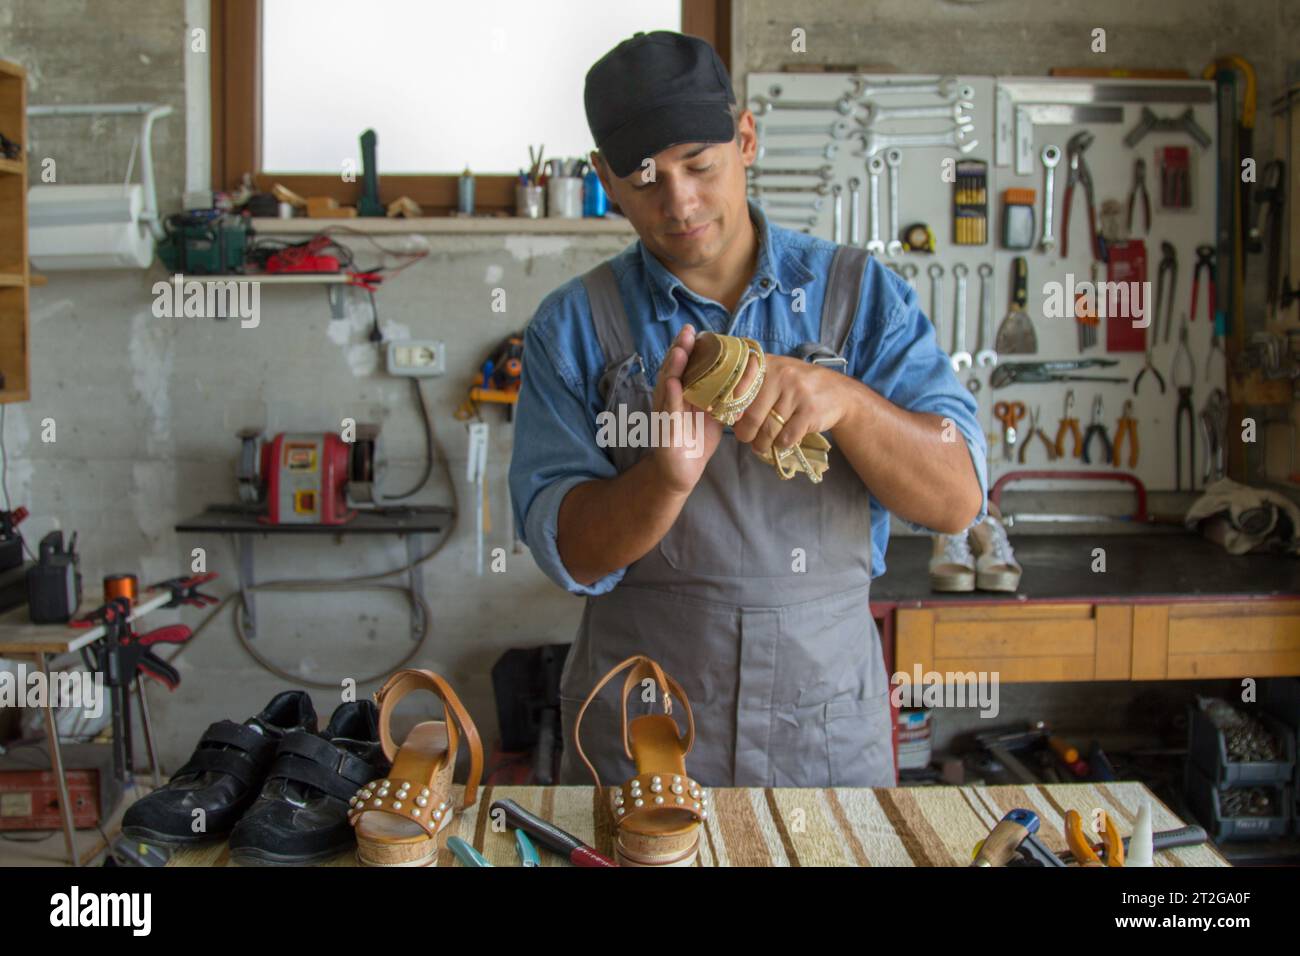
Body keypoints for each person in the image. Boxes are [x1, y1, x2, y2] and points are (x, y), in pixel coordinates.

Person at [509, 31, 987, 787]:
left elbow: (957, 499)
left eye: (701, 164)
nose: (680, 203)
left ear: (747, 137)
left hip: (822, 729)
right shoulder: (573, 325)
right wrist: (663, 480)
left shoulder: (858, 299)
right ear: (603, 177)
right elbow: (570, 553)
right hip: (645, 730)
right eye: (644, 180)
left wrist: (850, 403)